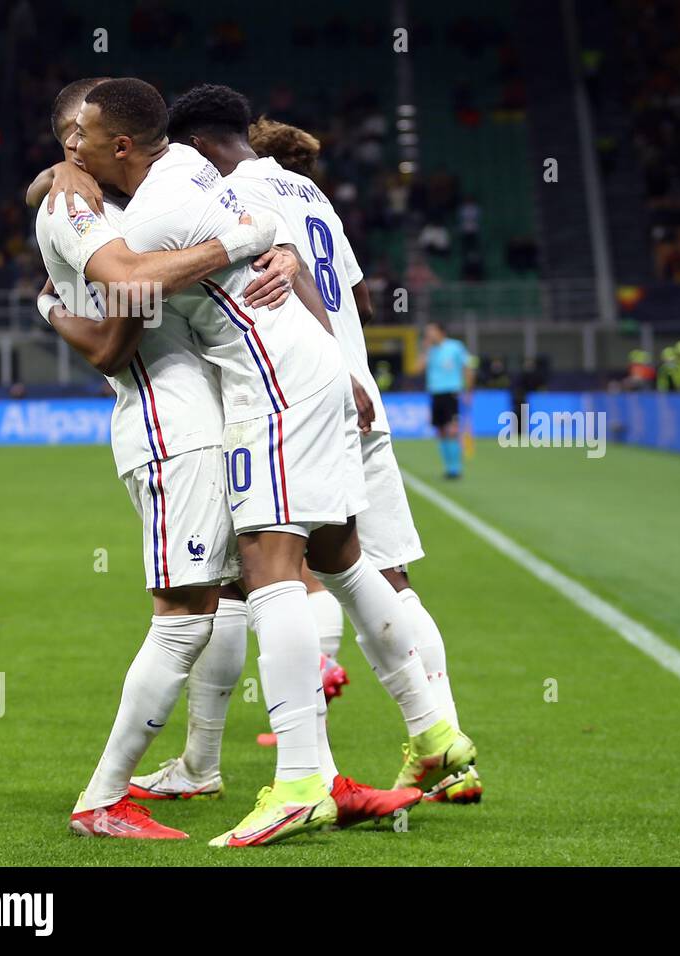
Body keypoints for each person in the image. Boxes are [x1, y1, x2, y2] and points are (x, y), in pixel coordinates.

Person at [70, 77, 439, 846]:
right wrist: (334, 354)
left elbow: (125, 304)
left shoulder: (150, 207)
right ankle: (431, 737)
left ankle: (295, 778)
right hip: (314, 374)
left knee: (255, 579)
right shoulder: (263, 185)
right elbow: (313, 265)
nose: (80, 151)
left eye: (86, 138)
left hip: (257, 395)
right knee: (343, 563)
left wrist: (49, 304)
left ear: (127, 143)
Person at [147, 88, 480, 804]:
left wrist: (328, 368)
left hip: (304, 395)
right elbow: (347, 291)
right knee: (383, 576)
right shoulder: (306, 187)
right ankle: (446, 744)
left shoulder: (228, 194)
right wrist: (351, 371)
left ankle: (289, 774)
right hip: (357, 389)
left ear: (198, 146)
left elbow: (290, 283)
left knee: (256, 577)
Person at [29, 77, 286, 839]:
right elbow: (117, 335)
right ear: (66, 136)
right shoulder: (78, 211)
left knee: (228, 596)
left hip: (196, 424)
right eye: (71, 135)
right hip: (171, 431)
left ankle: (199, 766)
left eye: (92, 132)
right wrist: (50, 305)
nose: (84, 146)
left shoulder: (108, 202)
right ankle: (102, 799)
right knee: (181, 617)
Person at [416, 320, 473, 479]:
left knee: (452, 430)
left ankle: (456, 468)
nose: (428, 334)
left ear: (440, 331)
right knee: (440, 431)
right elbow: (416, 369)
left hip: (451, 392)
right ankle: (448, 467)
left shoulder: (455, 347)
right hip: (435, 393)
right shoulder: (430, 350)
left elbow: (467, 368)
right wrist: (425, 350)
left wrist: (468, 391)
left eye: (431, 331)